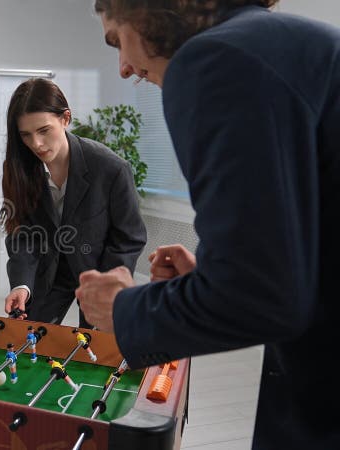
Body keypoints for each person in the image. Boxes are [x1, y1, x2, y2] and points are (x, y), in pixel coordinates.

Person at [75, 1, 340, 449]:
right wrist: (211, 279)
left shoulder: (216, 58)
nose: (123, 68)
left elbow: (260, 295)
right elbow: (291, 268)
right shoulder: (273, 43)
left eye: (118, 40)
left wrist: (123, 309)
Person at [0, 77, 146, 326]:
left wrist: (108, 287)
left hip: (98, 270)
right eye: (26, 135)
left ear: (65, 118)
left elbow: (129, 238)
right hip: (48, 271)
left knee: (94, 343)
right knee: (28, 335)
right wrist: (21, 284)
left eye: (44, 130)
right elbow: (21, 233)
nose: (36, 144)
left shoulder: (111, 168)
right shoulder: (18, 169)